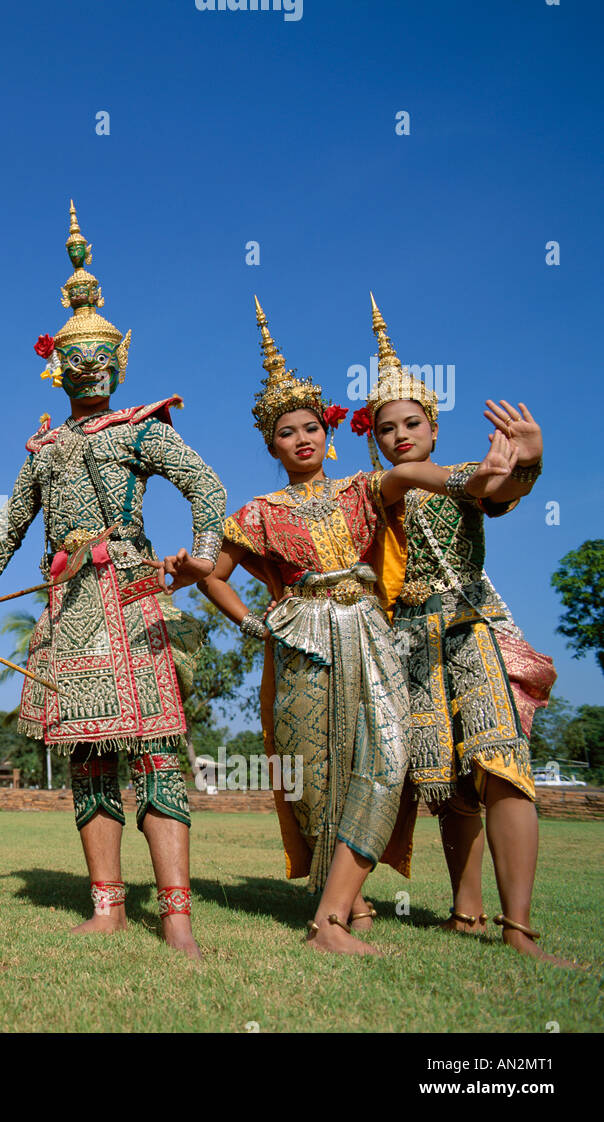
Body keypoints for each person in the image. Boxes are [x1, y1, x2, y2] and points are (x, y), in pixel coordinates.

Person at [0, 204, 226, 958]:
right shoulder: (43, 448)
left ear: (118, 362)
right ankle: (107, 906)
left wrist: (200, 553)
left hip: (132, 592)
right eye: (76, 358)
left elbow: (209, 488)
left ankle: (177, 917)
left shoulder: (143, 429)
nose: (87, 369)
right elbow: (6, 527)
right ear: (56, 365)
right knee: (90, 755)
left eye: (99, 357)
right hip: (68, 602)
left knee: (158, 751)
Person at [194, 298, 516, 956]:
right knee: (315, 769)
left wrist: (488, 476)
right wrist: (257, 625)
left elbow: (427, 474)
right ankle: (340, 910)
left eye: (310, 427)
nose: (302, 439)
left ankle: (337, 914)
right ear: (271, 445)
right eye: (287, 433)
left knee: (387, 759)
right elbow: (213, 573)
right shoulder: (257, 511)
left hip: (370, 629)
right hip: (301, 633)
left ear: (329, 432)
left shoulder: (367, 487)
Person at [352, 296, 570, 966]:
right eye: (386, 427)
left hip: (472, 629)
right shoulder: (383, 484)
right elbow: (465, 482)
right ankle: (466, 914)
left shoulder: (465, 483)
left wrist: (525, 468)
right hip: (408, 642)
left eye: (411, 422)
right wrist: (492, 475)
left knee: (501, 765)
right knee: (442, 782)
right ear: (374, 438)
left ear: (433, 423)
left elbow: (496, 494)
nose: (399, 435)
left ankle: (520, 929)